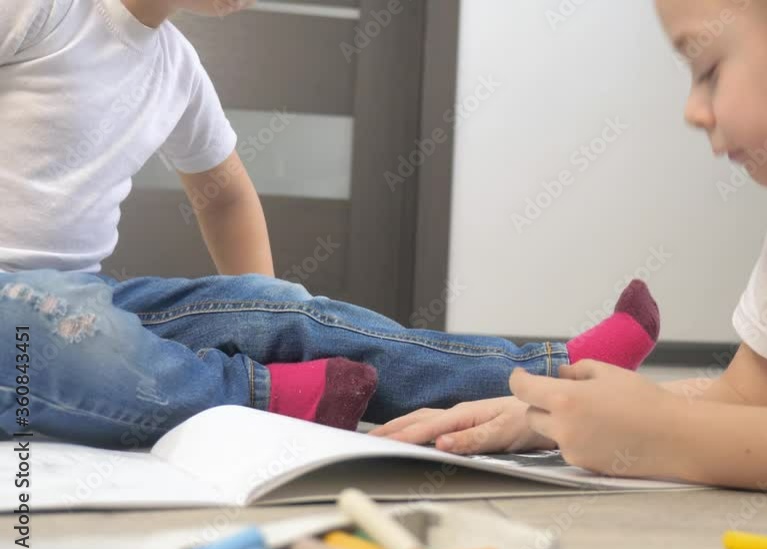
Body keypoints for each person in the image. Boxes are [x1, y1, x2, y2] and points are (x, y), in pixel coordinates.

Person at [375, 0, 767, 507]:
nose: (692, 110)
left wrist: (666, 436)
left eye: (709, 69)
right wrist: (545, 417)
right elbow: (750, 397)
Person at [0, 0, 661, 448]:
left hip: (89, 295)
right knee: (75, 341)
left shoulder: (177, 70)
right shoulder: (42, 12)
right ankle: (262, 398)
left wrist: (255, 310)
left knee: (286, 312)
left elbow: (225, 196)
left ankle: (555, 374)